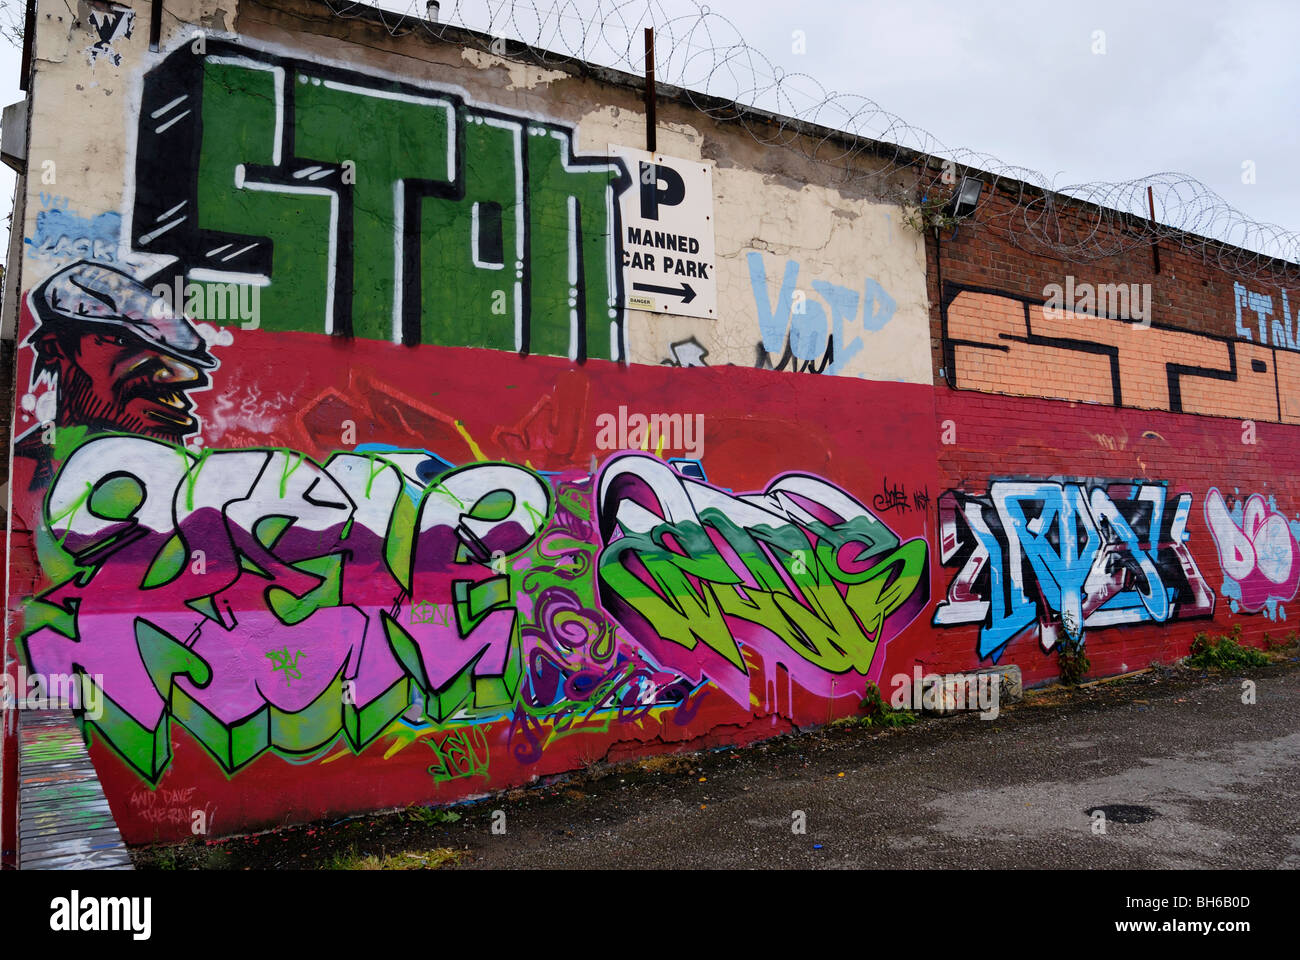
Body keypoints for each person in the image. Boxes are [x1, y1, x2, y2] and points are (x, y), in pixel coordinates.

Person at [14, 260, 218, 486]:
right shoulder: (27, 467)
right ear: (54, 348)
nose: (187, 375)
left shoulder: (197, 480)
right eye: (124, 343)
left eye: (177, 357)